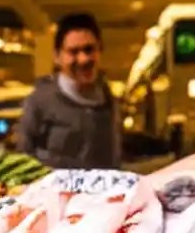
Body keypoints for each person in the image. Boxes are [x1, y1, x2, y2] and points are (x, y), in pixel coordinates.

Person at [18, 12, 121, 169]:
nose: (83, 59)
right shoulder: (40, 102)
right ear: (57, 56)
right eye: (73, 52)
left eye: (89, 50)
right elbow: (23, 158)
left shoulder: (107, 99)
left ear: (100, 50)